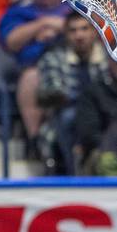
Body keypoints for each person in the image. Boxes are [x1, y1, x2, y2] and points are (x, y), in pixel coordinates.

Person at [0, 0, 70, 143]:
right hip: (34, 67)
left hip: (72, 62)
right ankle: (35, 141)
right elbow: (11, 41)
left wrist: (59, 28)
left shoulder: (74, 8)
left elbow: (92, 32)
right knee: (31, 78)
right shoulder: (18, 12)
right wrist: (42, 24)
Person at [35, 13, 106, 174]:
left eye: (84, 29)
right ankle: (72, 172)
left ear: (94, 32)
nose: (79, 35)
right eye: (73, 31)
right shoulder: (53, 58)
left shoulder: (109, 58)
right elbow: (51, 92)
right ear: (66, 34)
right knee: (69, 117)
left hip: (103, 113)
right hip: (67, 114)